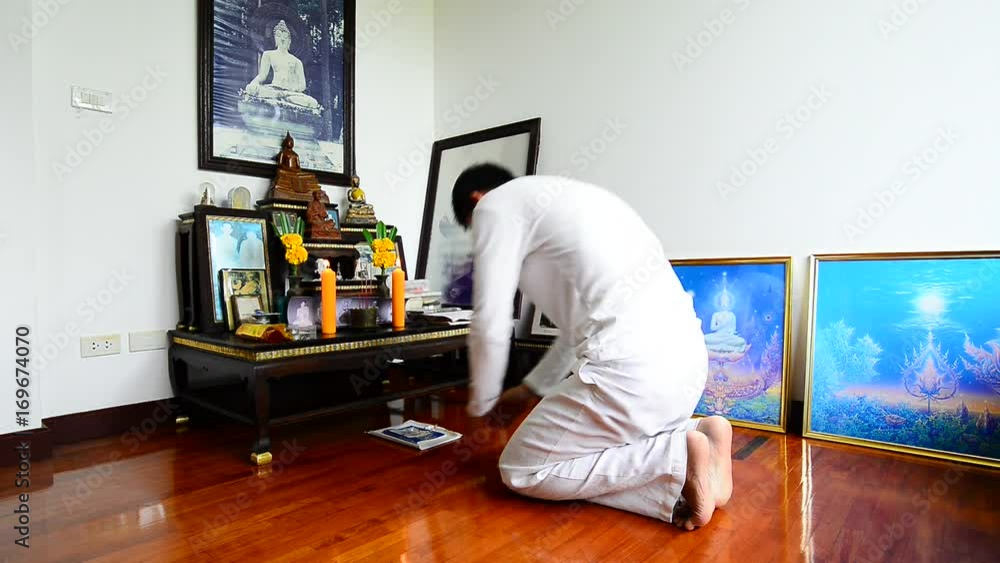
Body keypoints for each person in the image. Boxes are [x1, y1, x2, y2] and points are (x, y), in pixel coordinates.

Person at [454, 163, 733, 531]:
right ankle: (697, 435)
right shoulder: (583, 200)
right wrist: (530, 390)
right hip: (687, 367)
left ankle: (675, 456)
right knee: (603, 447)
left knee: (521, 469)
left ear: (477, 200)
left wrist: (482, 403)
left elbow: (490, 321)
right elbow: (572, 336)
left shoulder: (494, 207)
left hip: (632, 373)